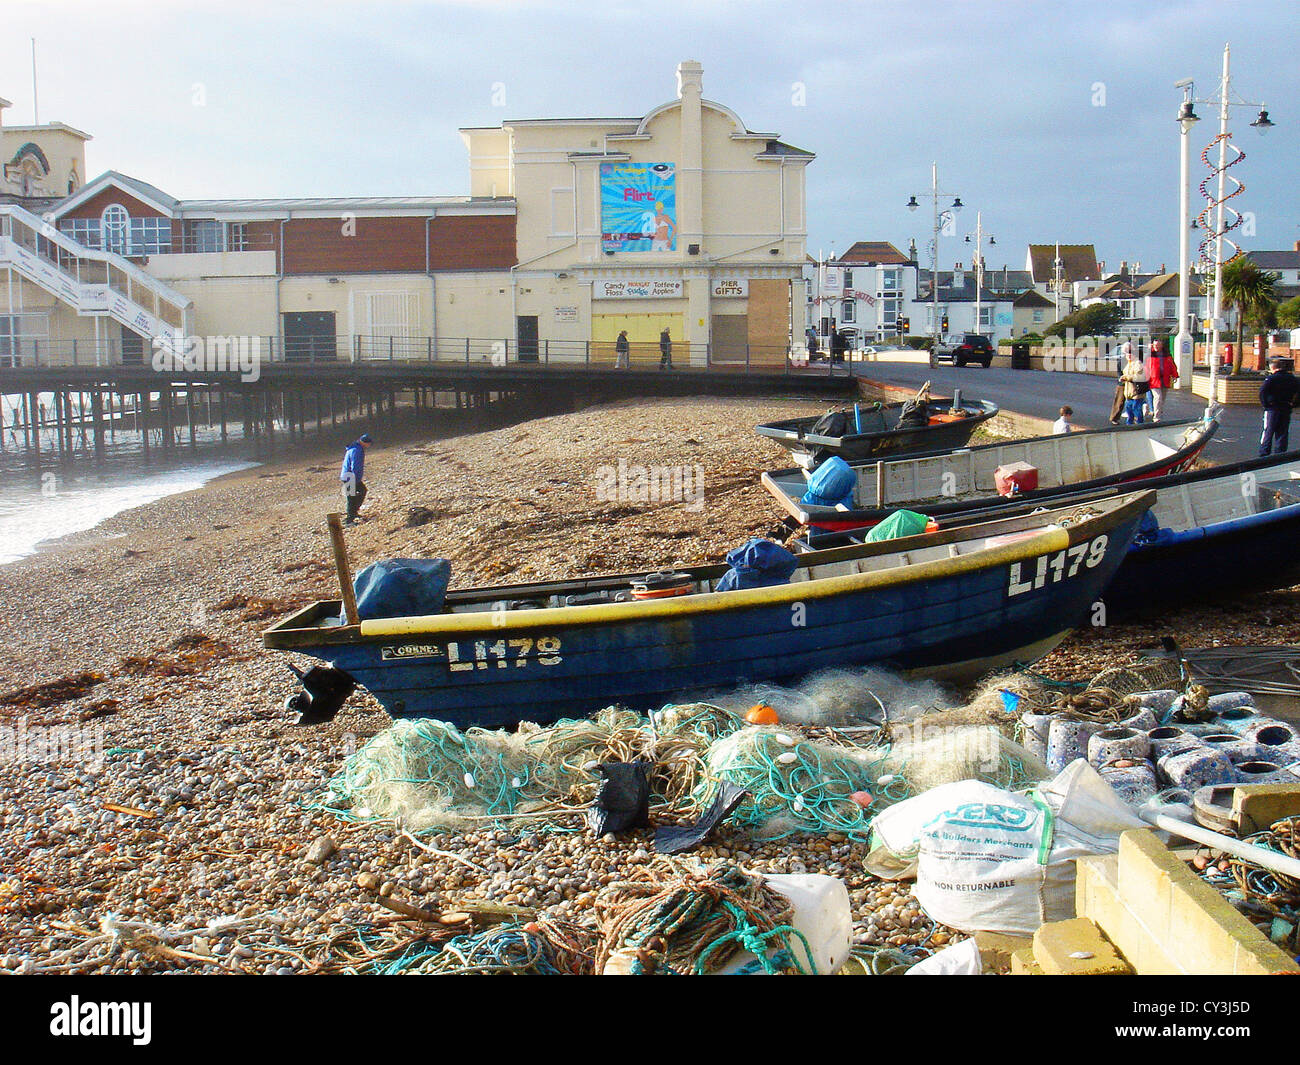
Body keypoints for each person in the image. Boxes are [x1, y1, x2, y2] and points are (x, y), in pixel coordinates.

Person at [1258, 357, 1300, 456]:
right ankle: (1280, 454)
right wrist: (1294, 404)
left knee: (1268, 431)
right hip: (1286, 406)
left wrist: (1265, 404)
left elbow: (1263, 391)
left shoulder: (1271, 378)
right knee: (1282, 432)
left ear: (1273, 368)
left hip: (1273, 408)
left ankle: (1264, 453)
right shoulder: (1292, 378)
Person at [340, 433, 373, 525]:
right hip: (350, 476)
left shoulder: (355, 448)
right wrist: (355, 479)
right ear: (365, 443)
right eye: (369, 444)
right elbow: (355, 466)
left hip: (349, 476)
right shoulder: (357, 450)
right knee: (352, 497)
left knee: (361, 491)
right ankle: (349, 520)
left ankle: (353, 513)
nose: (369, 445)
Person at [1146, 339, 1179, 422]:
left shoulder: (1167, 355)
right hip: (1154, 380)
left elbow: (1172, 366)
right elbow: (1145, 367)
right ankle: (1156, 417)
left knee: (1162, 399)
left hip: (1165, 380)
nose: (1156, 347)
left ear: (1161, 345)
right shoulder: (1149, 354)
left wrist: (1175, 375)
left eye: (1157, 345)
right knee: (1158, 397)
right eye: (1154, 345)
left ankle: (1156, 411)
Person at [1119, 344, 1148, 425]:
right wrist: (1123, 377)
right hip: (1128, 393)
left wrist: (1127, 377)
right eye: (1127, 354)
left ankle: (1140, 425)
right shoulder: (1128, 364)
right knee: (1129, 411)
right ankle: (1129, 425)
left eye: (1130, 354)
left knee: (1137, 410)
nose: (1128, 355)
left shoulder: (1138, 364)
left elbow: (1140, 377)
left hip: (1136, 393)